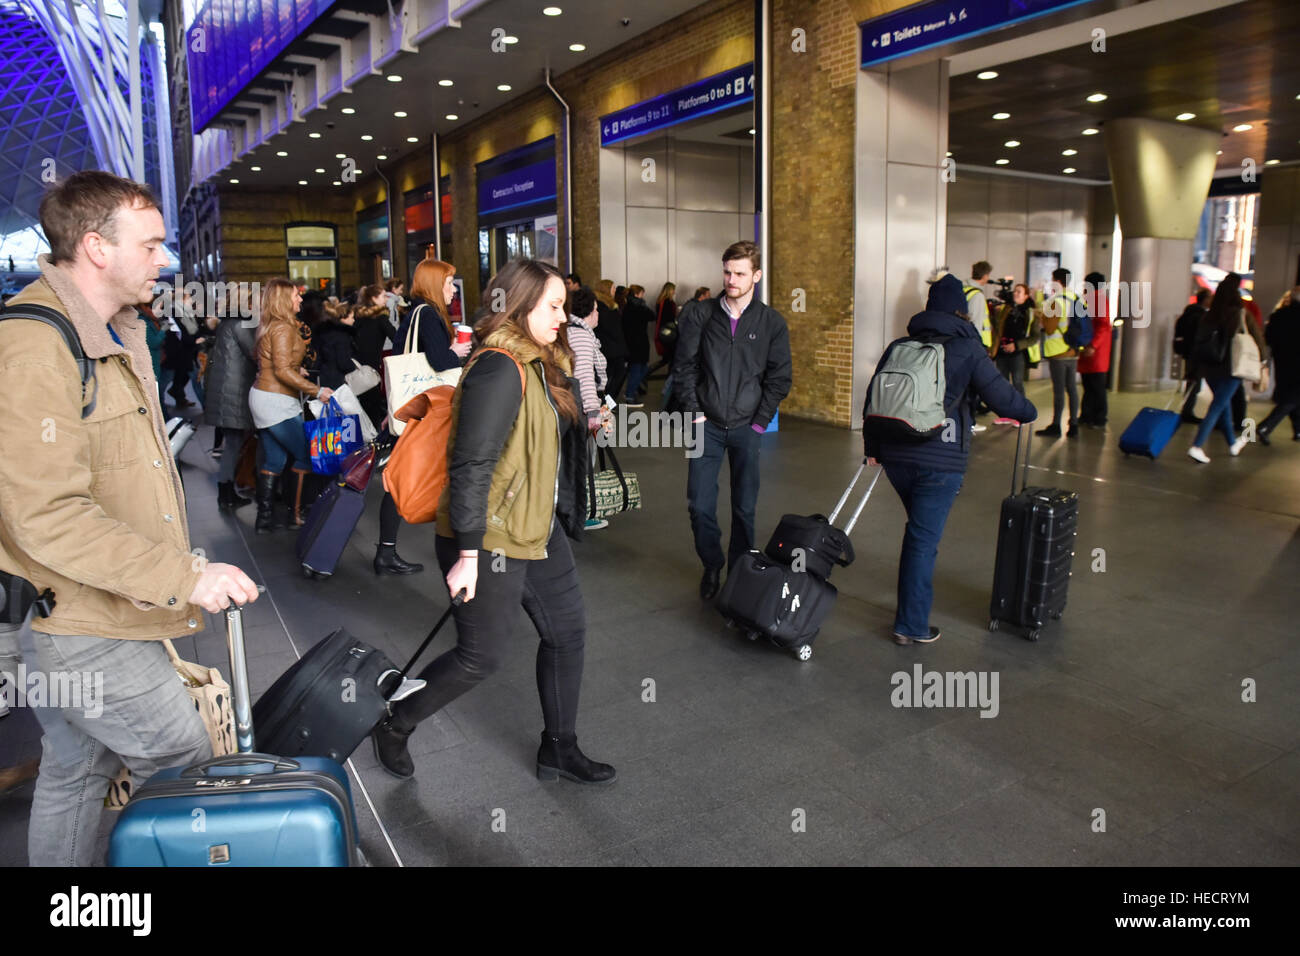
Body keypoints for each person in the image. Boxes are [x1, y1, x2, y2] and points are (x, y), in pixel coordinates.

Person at [0, 170, 259, 866]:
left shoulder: (111, 331)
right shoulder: (35, 345)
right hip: (75, 621)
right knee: (179, 757)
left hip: (96, 608)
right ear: (96, 248)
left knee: (78, 767)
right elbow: (45, 515)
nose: (163, 260)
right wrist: (182, 573)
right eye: (150, 245)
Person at [370, 258, 615, 786]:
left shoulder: (538, 361)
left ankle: (559, 749)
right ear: (522, 304)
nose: (562, 317)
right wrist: (468, 554)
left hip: (537, 528)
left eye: (564, 307)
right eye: (553, 306)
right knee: (480, 657)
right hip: (491, 536)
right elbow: (471, 465)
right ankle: (396, 720)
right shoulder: (498, 367)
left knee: (567, 632)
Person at [864, 273, 1037, 645]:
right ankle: (910, 625)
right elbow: (1003, 399)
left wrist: (873, 449)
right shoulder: (968, 349)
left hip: (895, 456)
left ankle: (911, 614)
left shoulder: (901, 344)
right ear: (962, 312)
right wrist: (1030, 411)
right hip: (940, 460)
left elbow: (874, 396)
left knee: (919, 534)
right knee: (922, 539)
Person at [674, 241, 792, 601]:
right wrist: (694, 414)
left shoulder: (771, 322)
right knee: (698, 503)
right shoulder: (700, 314)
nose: (731, 279)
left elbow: (779, 377)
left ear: (756, 275)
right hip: (704, 426)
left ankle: (739, 570)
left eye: (740, 273)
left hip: (746, 427)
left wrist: (759, 422)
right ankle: (712, 563)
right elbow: (684, 368)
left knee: (744, 506)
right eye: (727, 272)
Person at [249, 278, 332, 531]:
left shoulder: (270, 325)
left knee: (274, 459)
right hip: (276, 401)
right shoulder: (284, 328)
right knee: (306, 455)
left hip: (264, 397)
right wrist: (317, 391)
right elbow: (282, 370)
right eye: (296, 296)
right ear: (285, 300)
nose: (300, 299)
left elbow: (274, 364)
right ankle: (295, 515)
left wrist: (298, 370)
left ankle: (264, 519)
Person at [1187, 272, 1267, 463]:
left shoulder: (1209, 316)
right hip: (1232, 367)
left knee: (1223, 404)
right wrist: (1263, 360)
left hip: (1210, 367)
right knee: (1218, 406)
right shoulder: (1241, 313)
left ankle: (1232, 444)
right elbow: (1258, 338)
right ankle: (1197, 446)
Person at [204, 296, 258, 511]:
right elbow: (254, 352)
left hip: (227, 388)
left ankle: (226, 492)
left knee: (232, 443)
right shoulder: (240, 323)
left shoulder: (229, 322)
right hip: (233, 391)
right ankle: (226, 493)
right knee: (233, 444)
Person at [567, 287, 612, 531]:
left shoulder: (567, 331)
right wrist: (594, 414)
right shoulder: (582, 337)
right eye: (595, 310)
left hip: (569, 406)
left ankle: (571, 510)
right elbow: (584, 377)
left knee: (572, 460)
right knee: (583, 461)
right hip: (583, 408)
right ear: (586, 312)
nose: (598, 315)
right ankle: (580, 513)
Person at [1036, 267, 1087, 439]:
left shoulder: (1055, 301)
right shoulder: (1076, 298)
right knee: (1072, 388)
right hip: (1072, 350)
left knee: (1058, 390)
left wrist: (1042, 316)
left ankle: (1056, 425)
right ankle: (1073, 425)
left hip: (1058, 352)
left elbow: (1049, 329)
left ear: (1057, 281)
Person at [352, 282, 399, 431]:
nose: (386, 299)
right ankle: (374, 441)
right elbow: (395, 337)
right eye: (383, 296)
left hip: (356, 367)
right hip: (371, 369)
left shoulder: (358, 317)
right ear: (373, 298)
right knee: (373, 407)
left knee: (361, 405)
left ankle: (363, 437)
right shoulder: (380, 318)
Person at [1257, 287, 1300, 445]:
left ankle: (1298, 430)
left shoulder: (1278, 315)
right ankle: (1266, 426)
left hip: (1281, 360)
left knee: (1291, 394)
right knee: (1293, 396)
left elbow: (1268, 338)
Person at [990, 282, 1040, 406]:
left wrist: (1016, 345)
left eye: (1019, 292)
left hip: (1018, 352)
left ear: (1026, 296)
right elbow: (997, 328)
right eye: (1015, 291)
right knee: (1002, 382)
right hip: (1002, 351)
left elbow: (1034, 337)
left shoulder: (1031, 313)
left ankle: (1020, 410)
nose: (1016, 294)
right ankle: (1005, 412)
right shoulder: (1005, 309)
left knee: (1017, 382)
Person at [1077, 271, 1113, 428]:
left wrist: (1093, 345)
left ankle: (1099, 418)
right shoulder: (1091, 299)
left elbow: (1103, 326)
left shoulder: (1098, 299)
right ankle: (1087, 415)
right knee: (1090, 385)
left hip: (1095, 352)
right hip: (1090, 350)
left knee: (1096, 386)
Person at [1174, 289, 1211, 423]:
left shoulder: (1187, 313)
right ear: (1205, 299)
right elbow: (1197, 337)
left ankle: (1187, 410)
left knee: (1192, 382)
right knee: (1194, 383)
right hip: (1195, 354)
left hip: (1187, 353)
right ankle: (1187, 412)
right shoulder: (1200, 316)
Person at [620, 284, 655, 407]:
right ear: (637, 294)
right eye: (642, 294)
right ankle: (630, 395)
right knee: (639, 369)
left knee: (637, 368)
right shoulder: (639, 307)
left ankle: (630, 391)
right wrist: (643, 305)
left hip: (630, 343)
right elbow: (652, 316)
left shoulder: (627, 307)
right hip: (639, 344)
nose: (643, 296)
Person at [592, 278, 625, 402]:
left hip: (611, 348)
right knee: (611, 377)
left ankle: (607, 403)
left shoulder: (607, 305)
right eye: (613, 288)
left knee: (612, 376)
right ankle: (607, 403)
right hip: (610, 349)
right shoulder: (603, 306)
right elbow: (611, 328)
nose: (615, 290)